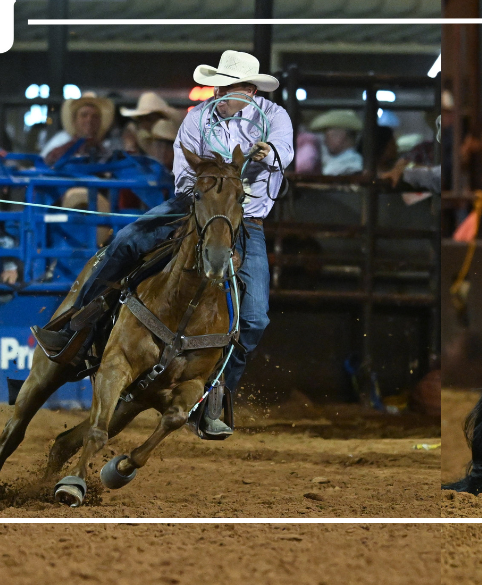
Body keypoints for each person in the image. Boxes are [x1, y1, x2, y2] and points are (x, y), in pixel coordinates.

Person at [32, 50, 293, 437]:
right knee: (124, 241)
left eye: (233, 87)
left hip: (245, 218)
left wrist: (267, 153)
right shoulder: (197, 118)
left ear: (251, 91)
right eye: (221, 85)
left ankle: (214, 398)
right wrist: (208, 193)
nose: (224, 92)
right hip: (194, 208)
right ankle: (75, 326)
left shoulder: (272, 118)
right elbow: (183, 175)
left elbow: (284, 153)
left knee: (254, 318)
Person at [40, 92, 118, 165]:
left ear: (100, 122)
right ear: (74, 121)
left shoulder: (109, 156)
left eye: (95, 116)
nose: (89, 120)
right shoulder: (57, 154)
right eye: (84, 115)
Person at [121, 91, 177, 158]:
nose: (144, 124)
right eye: (141, 120)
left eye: (149, 120)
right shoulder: (133, 136)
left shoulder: (169, 142)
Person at [310, 109, 364, 176]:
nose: (325, 141)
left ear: (341, 136)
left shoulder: (352, 165)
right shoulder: (340, 162)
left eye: (328, 137)